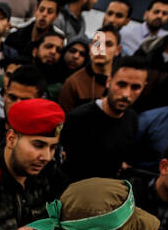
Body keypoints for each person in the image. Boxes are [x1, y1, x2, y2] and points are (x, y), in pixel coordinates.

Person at [0, 97, 67, 230]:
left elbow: (68, 216)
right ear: (11, 139)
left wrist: (41, 228)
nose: (47, 156)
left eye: (53, 147)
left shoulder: (51, 174)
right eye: (38, 145)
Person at [58, 54, 149, 182]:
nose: (126, 94)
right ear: (108, 81)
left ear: (144, 87)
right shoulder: (79, 119)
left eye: (135, 87)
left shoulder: (132, 119)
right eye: (121, 84)